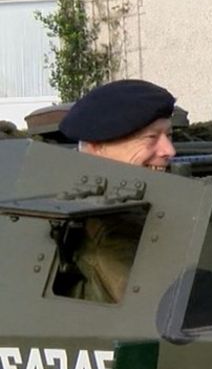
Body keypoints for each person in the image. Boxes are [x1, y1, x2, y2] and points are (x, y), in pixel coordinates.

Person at [57, 79, 177, 302]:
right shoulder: (109, 238)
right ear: (97, 147)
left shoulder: (142, 206)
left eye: (169, 135)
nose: (170, 150)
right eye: (151, 138)